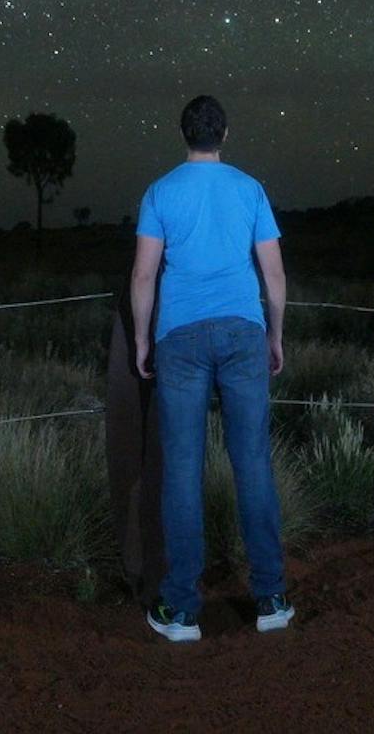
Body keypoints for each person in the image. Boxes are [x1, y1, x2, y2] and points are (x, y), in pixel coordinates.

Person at [130, 95, 292, 641]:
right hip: (243, 333)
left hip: (179, 338)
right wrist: (274, 334)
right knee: (252, 463)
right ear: (224, 133)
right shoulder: (250, 189)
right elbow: (272, 272)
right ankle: (271, 596)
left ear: (184, 134)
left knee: (182, 469)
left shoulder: (160, 192)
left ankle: (181, 609)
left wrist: (140, 341)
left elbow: (144, 276)